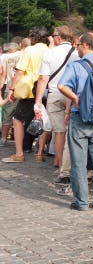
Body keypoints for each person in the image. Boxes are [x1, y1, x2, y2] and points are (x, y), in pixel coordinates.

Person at [57, 32, 93, 211]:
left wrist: (75, 99)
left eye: (78, 44)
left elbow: (61, 86)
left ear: (85, 45)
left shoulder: (75, 66)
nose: (77, 48)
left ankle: (81, 202)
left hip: (80, 116)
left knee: (79, 162)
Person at [3, 27, 49, 163]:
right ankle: (40, 153)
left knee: (17, 120)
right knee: (43, 120)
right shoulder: (49, 50)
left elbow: (20, 71)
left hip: (31, 90)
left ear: (32, 38)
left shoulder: (30, 50)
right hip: (47, 89)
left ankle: (19, 153)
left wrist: (12, 89)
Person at [34, 26, 78, 167]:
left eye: (53, 35)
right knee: (73, 131)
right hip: (73, 94)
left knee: (59, 132)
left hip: (55, 93)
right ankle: (70, 164)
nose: (52, 38)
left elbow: (43, 78)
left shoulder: (50, 53)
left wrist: (38, 101)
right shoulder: (77, 53)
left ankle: (59, 162)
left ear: (59, 37)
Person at [0, 42, 21, 145]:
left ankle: (3, 138)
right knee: (22, 115)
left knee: (7, 114)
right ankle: (22, 141)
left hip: (9, 88)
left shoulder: (4, 57)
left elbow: (2, 74)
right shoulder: (23, 55)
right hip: (23, 89)